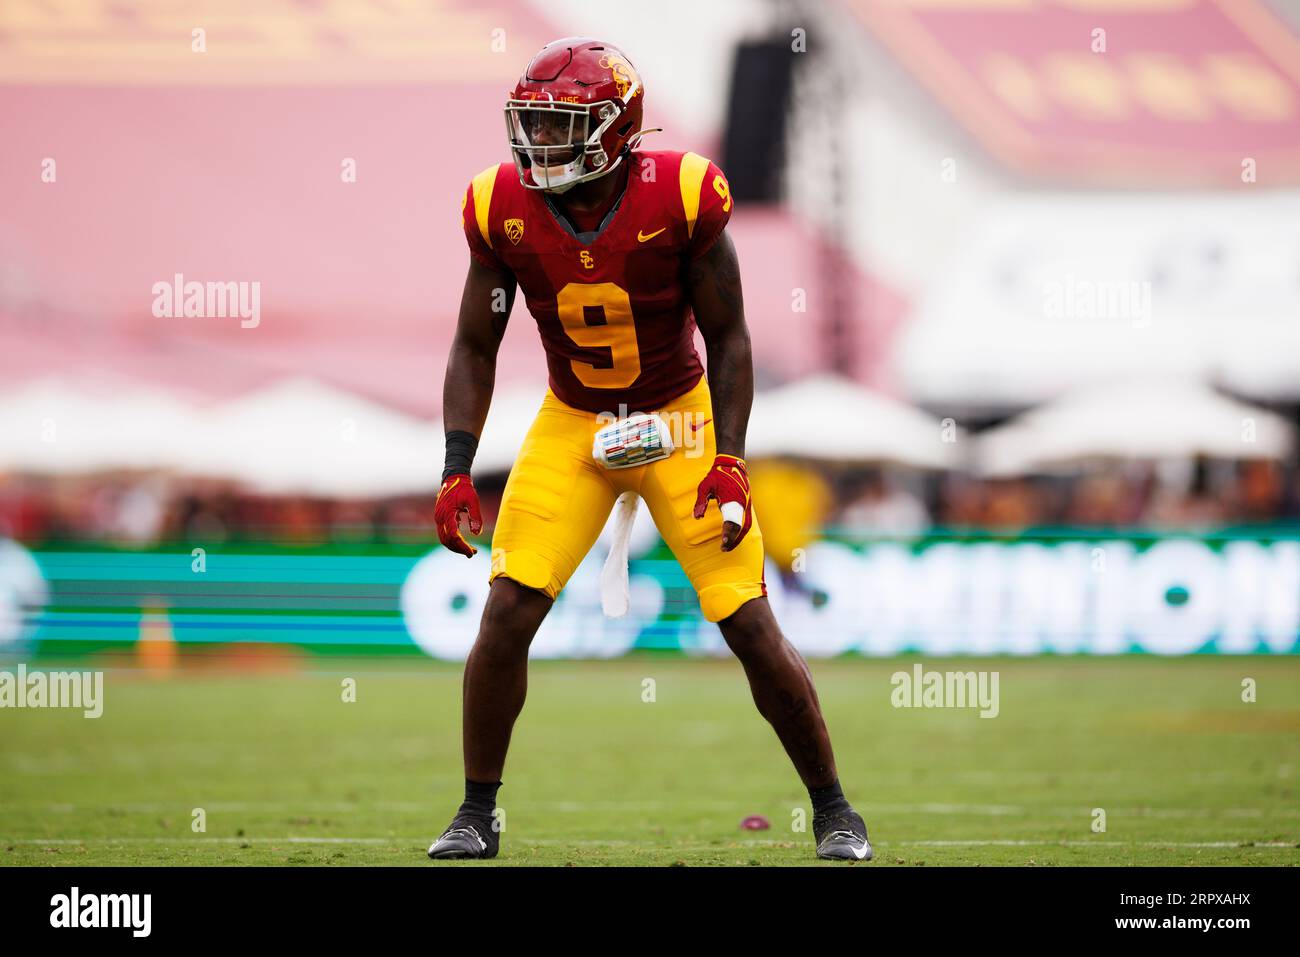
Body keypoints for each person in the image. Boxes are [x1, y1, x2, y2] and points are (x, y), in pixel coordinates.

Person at [428, 37, 870, 862]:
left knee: (746, 618)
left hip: (678, 420)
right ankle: (475, 811)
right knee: (507, 607)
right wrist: (457, 463)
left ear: (613, 131)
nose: (537, 147)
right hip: (574, 422)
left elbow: (731, 339)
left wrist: (731, 459)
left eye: (559, 130)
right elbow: (472, 346)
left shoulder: (681, 195)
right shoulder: (501, 208)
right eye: (533, 127)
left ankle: (835, 808)